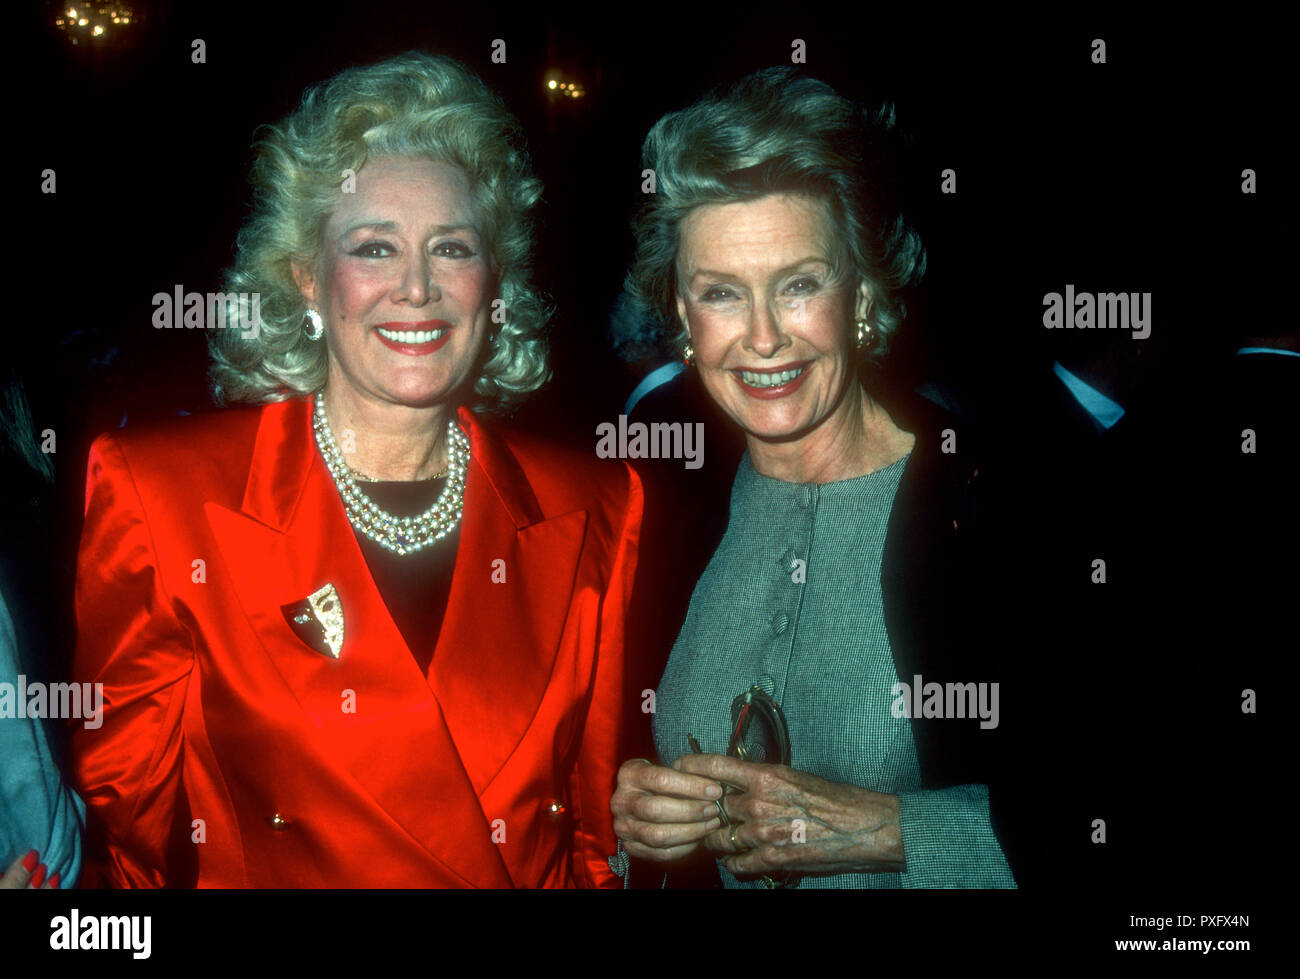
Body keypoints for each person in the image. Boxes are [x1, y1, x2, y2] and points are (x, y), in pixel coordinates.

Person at [69, 52, 642, 888]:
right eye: (373, 248)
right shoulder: (161, 497)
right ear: (307, 276)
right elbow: (133, 851)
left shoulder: (597, 501)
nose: (416, 286)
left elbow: (590, 843)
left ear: (495, 284)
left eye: (452, 248)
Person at [610, 68, 1017, 888]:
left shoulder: (995, 503)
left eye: (799, 285)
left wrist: (888, 829)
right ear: (683, 319)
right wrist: (635, 822)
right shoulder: (658, 512)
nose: (762, 337)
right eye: (722, 294)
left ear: (862, 290)